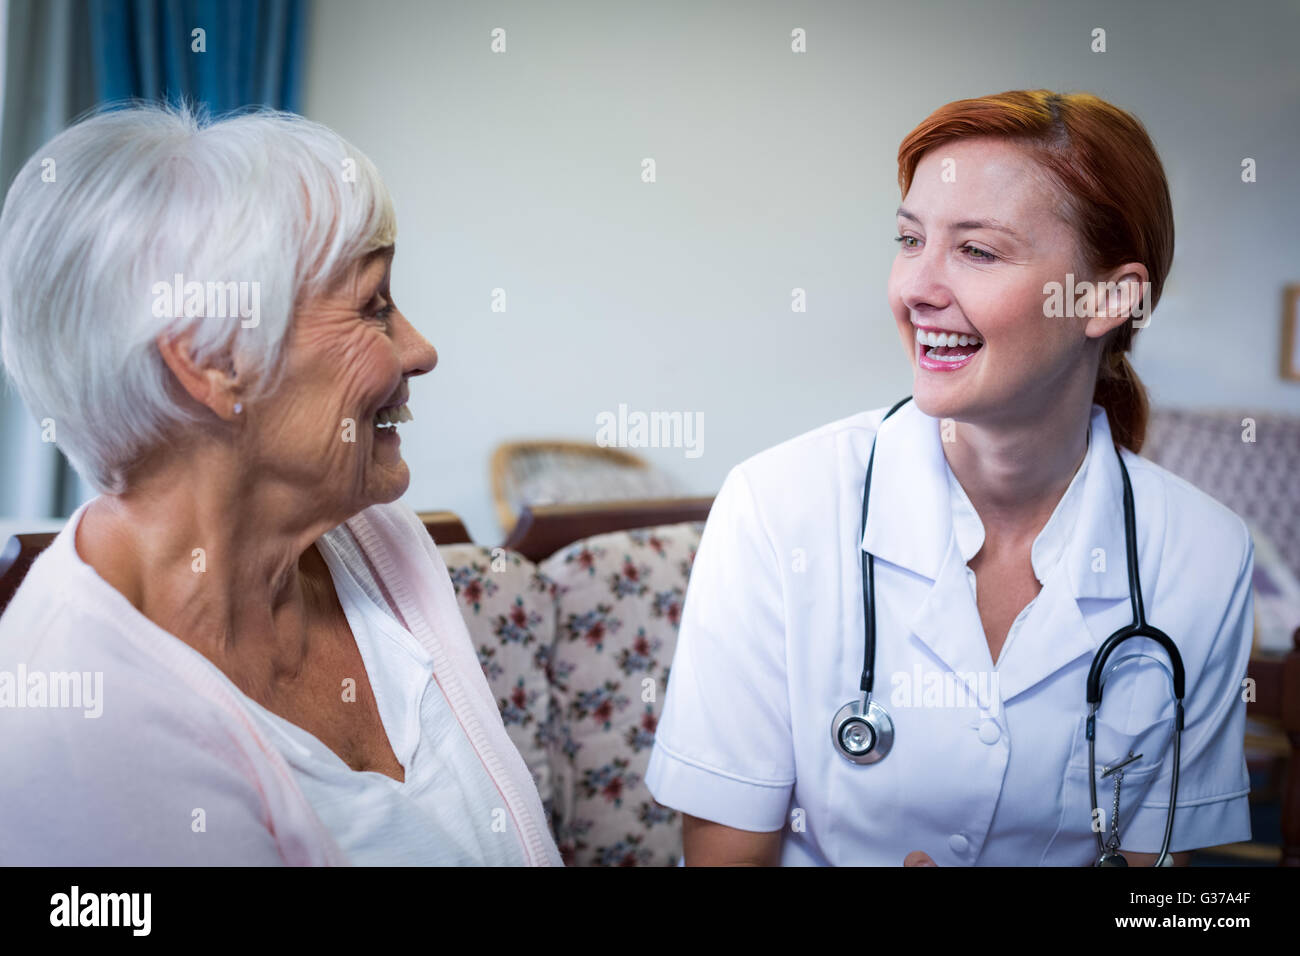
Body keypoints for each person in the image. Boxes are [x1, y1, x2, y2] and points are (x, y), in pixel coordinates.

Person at [645, 90, 1255, 866]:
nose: (915, 289)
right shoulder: (776, 507)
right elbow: (726, 859)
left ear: (1108, 297)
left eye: (977, 251)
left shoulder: (1203, 552)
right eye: (909, 240)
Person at [0, 104, 562, 866]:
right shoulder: (74, 721)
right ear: (214, 362)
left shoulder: (375, 533)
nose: (422, 350)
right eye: (374, 306)